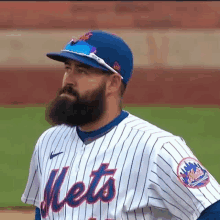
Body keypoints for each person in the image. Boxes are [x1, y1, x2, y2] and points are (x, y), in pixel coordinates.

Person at [21, 30, 220, 220]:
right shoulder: (48, 142)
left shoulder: (158, 147)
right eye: (67, 68)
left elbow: (211, 209)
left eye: (82, 71)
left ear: (113, 83)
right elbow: (43, 210)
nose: (69, 80)